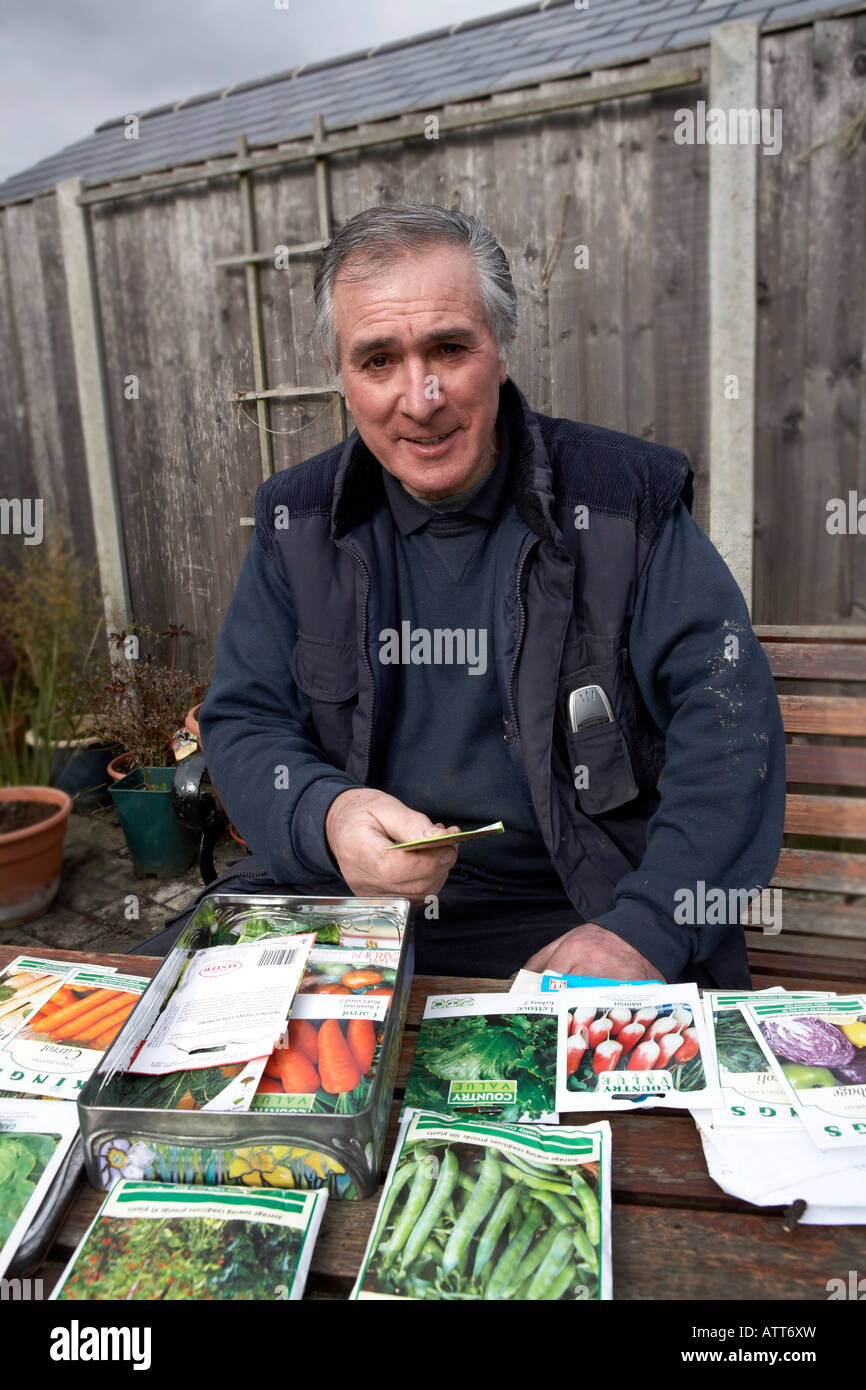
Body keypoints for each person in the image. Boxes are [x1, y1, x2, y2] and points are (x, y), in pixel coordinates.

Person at [152, 203, 785, 987]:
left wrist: (648, 929)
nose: (419, 399)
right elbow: (244, 721)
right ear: (337, 372)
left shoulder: (626, 502)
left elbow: (727, 725)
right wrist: (327, 816)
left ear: (502, 346)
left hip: (582, 909)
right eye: (377, 360)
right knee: (143, 1026)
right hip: (346, 905)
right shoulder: (296, 521)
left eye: (448, 348)